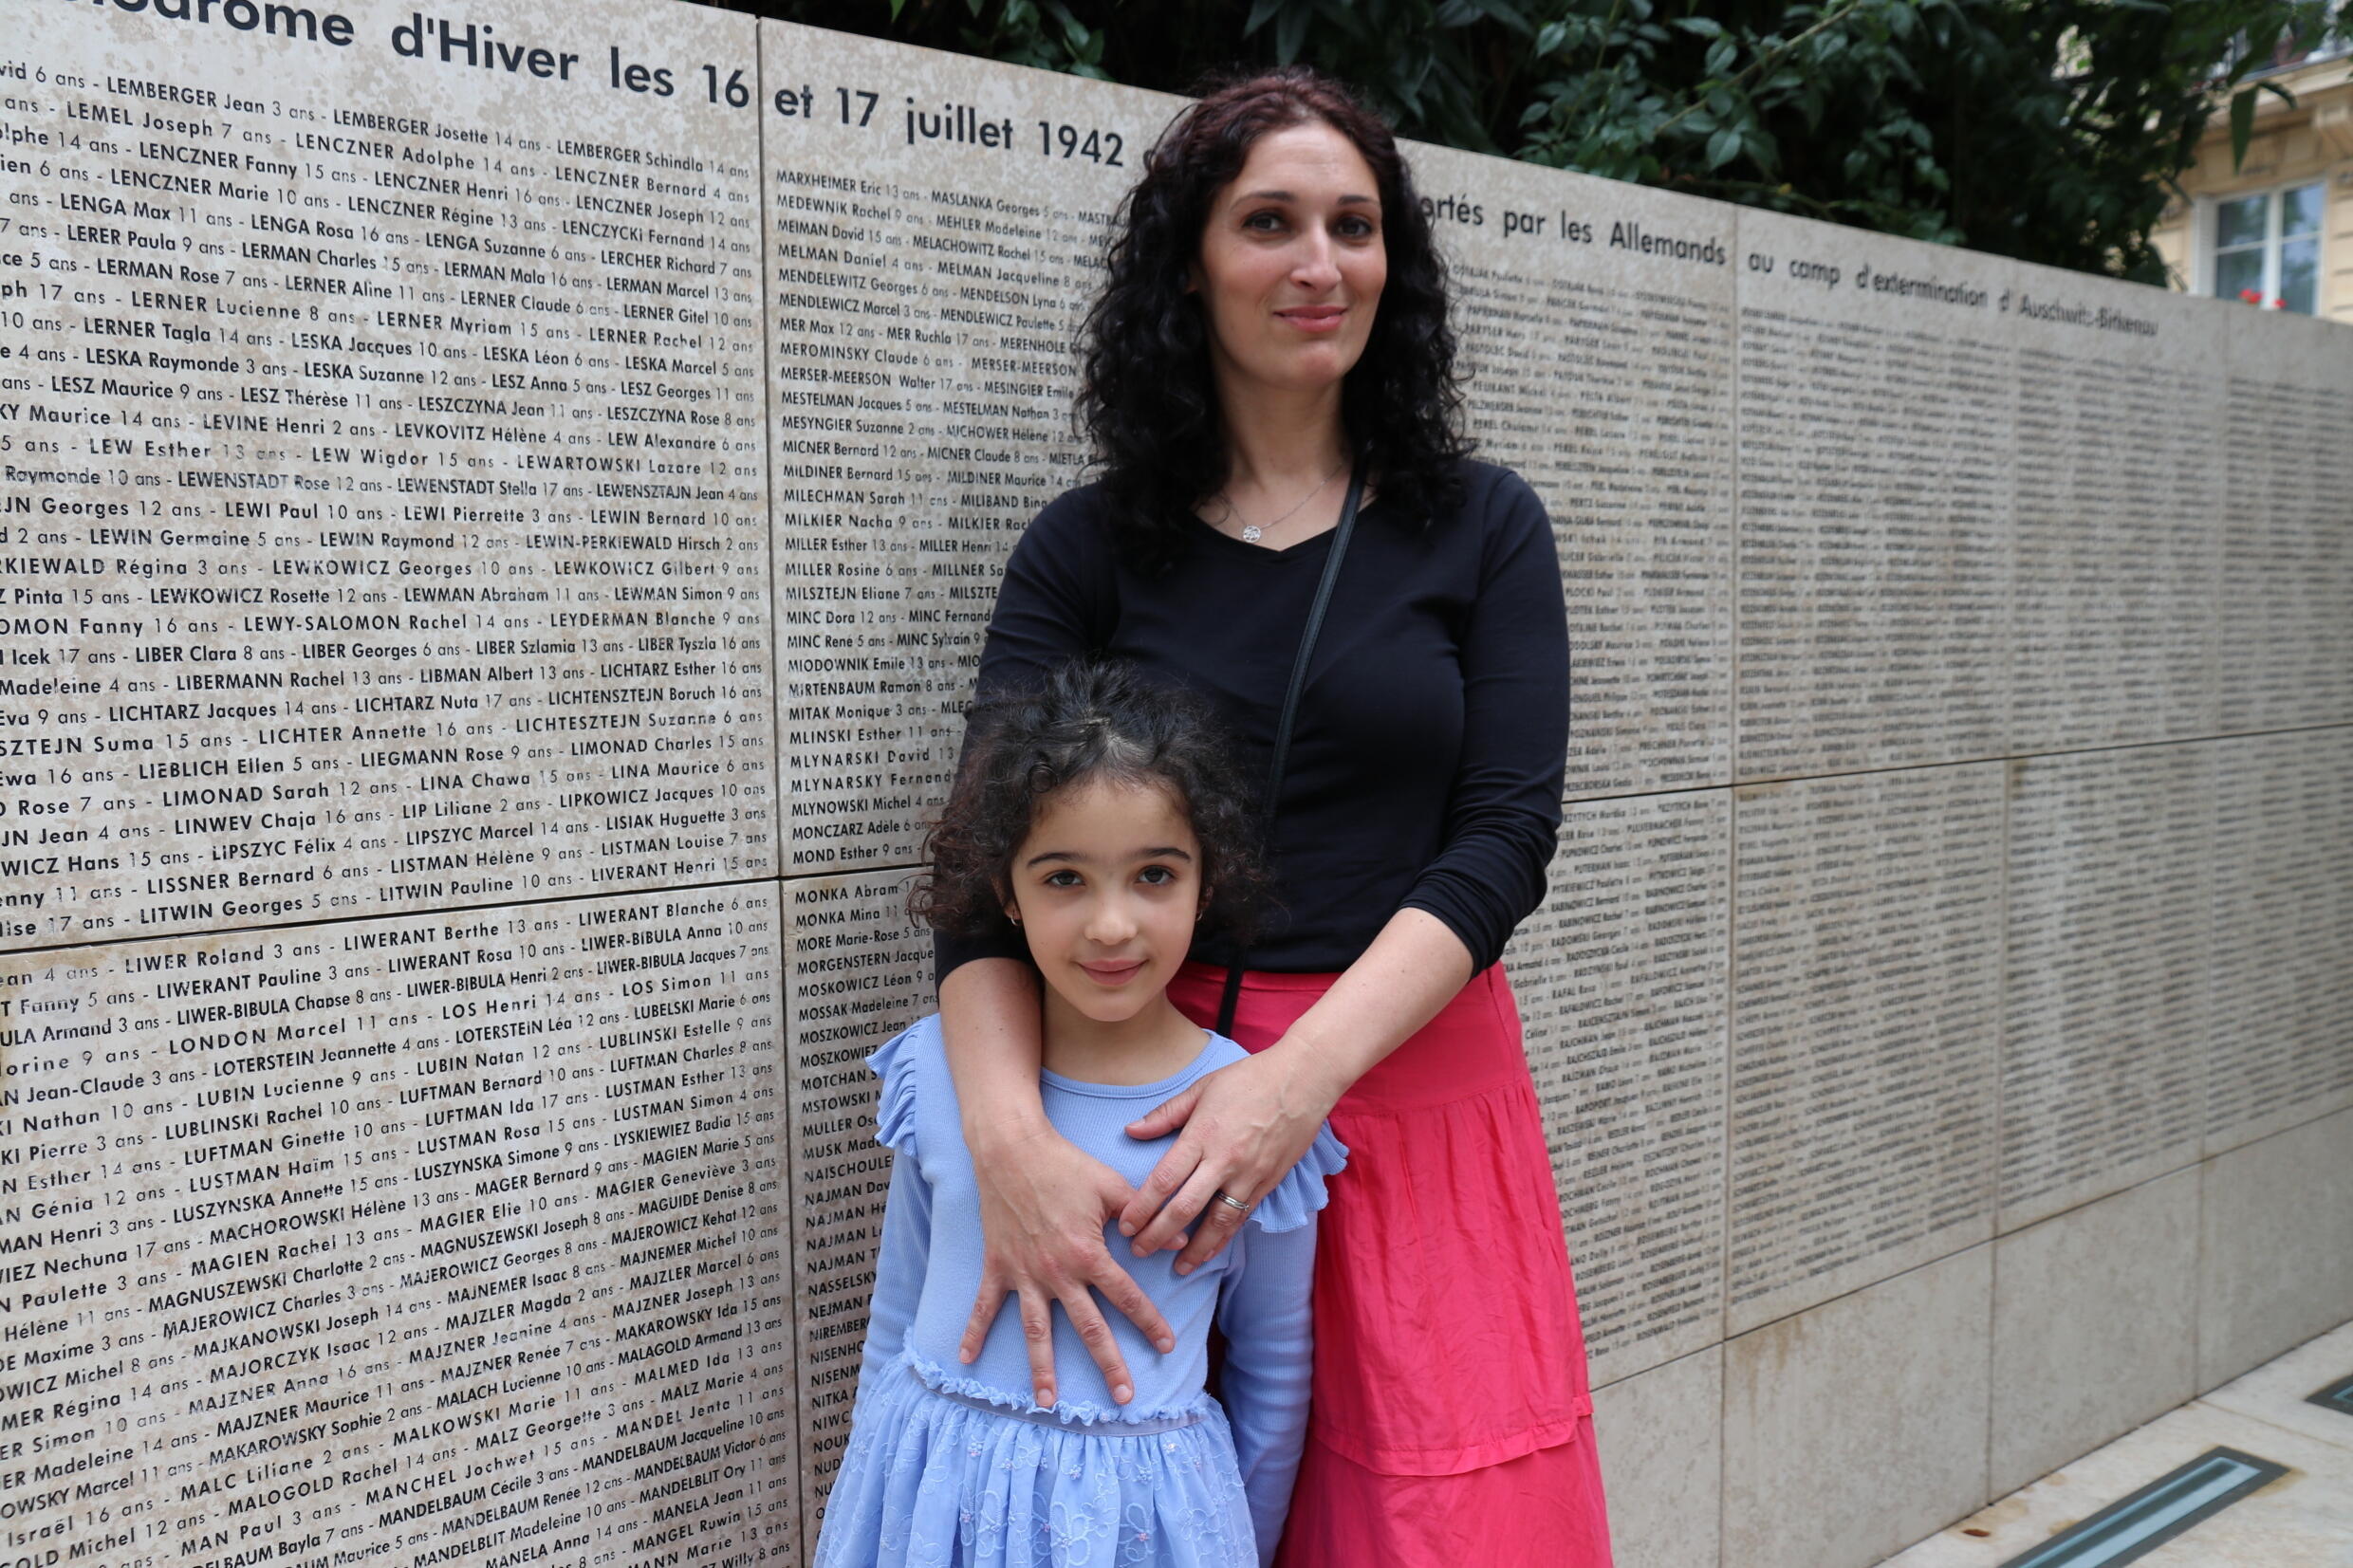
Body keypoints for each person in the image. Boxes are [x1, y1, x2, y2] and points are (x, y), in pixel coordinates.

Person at [932, 65, 1613, 1567]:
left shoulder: (1483, 526)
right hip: (1146, 1108)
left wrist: (1294, 1082)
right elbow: (984, 873)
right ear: (1192, 260)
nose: (1321, 264)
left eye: (1357, 226)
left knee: (1440, 1525)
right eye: (1271, 222)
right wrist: (1006, 1148)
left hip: (1406, 1092)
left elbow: (1505, 836)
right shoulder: (1087, 547)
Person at [814, 659, 1349, 1568]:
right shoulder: (941, 1070)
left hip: (1141, 1531)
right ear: (1006, 895)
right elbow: (896, 1313)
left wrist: (1235, 1544)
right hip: (929, 1502)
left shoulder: (1246, 1111)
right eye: (1065, 878)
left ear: (1204, 885)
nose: (1111, 925)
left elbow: (1274, 1370)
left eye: (1153, 874)